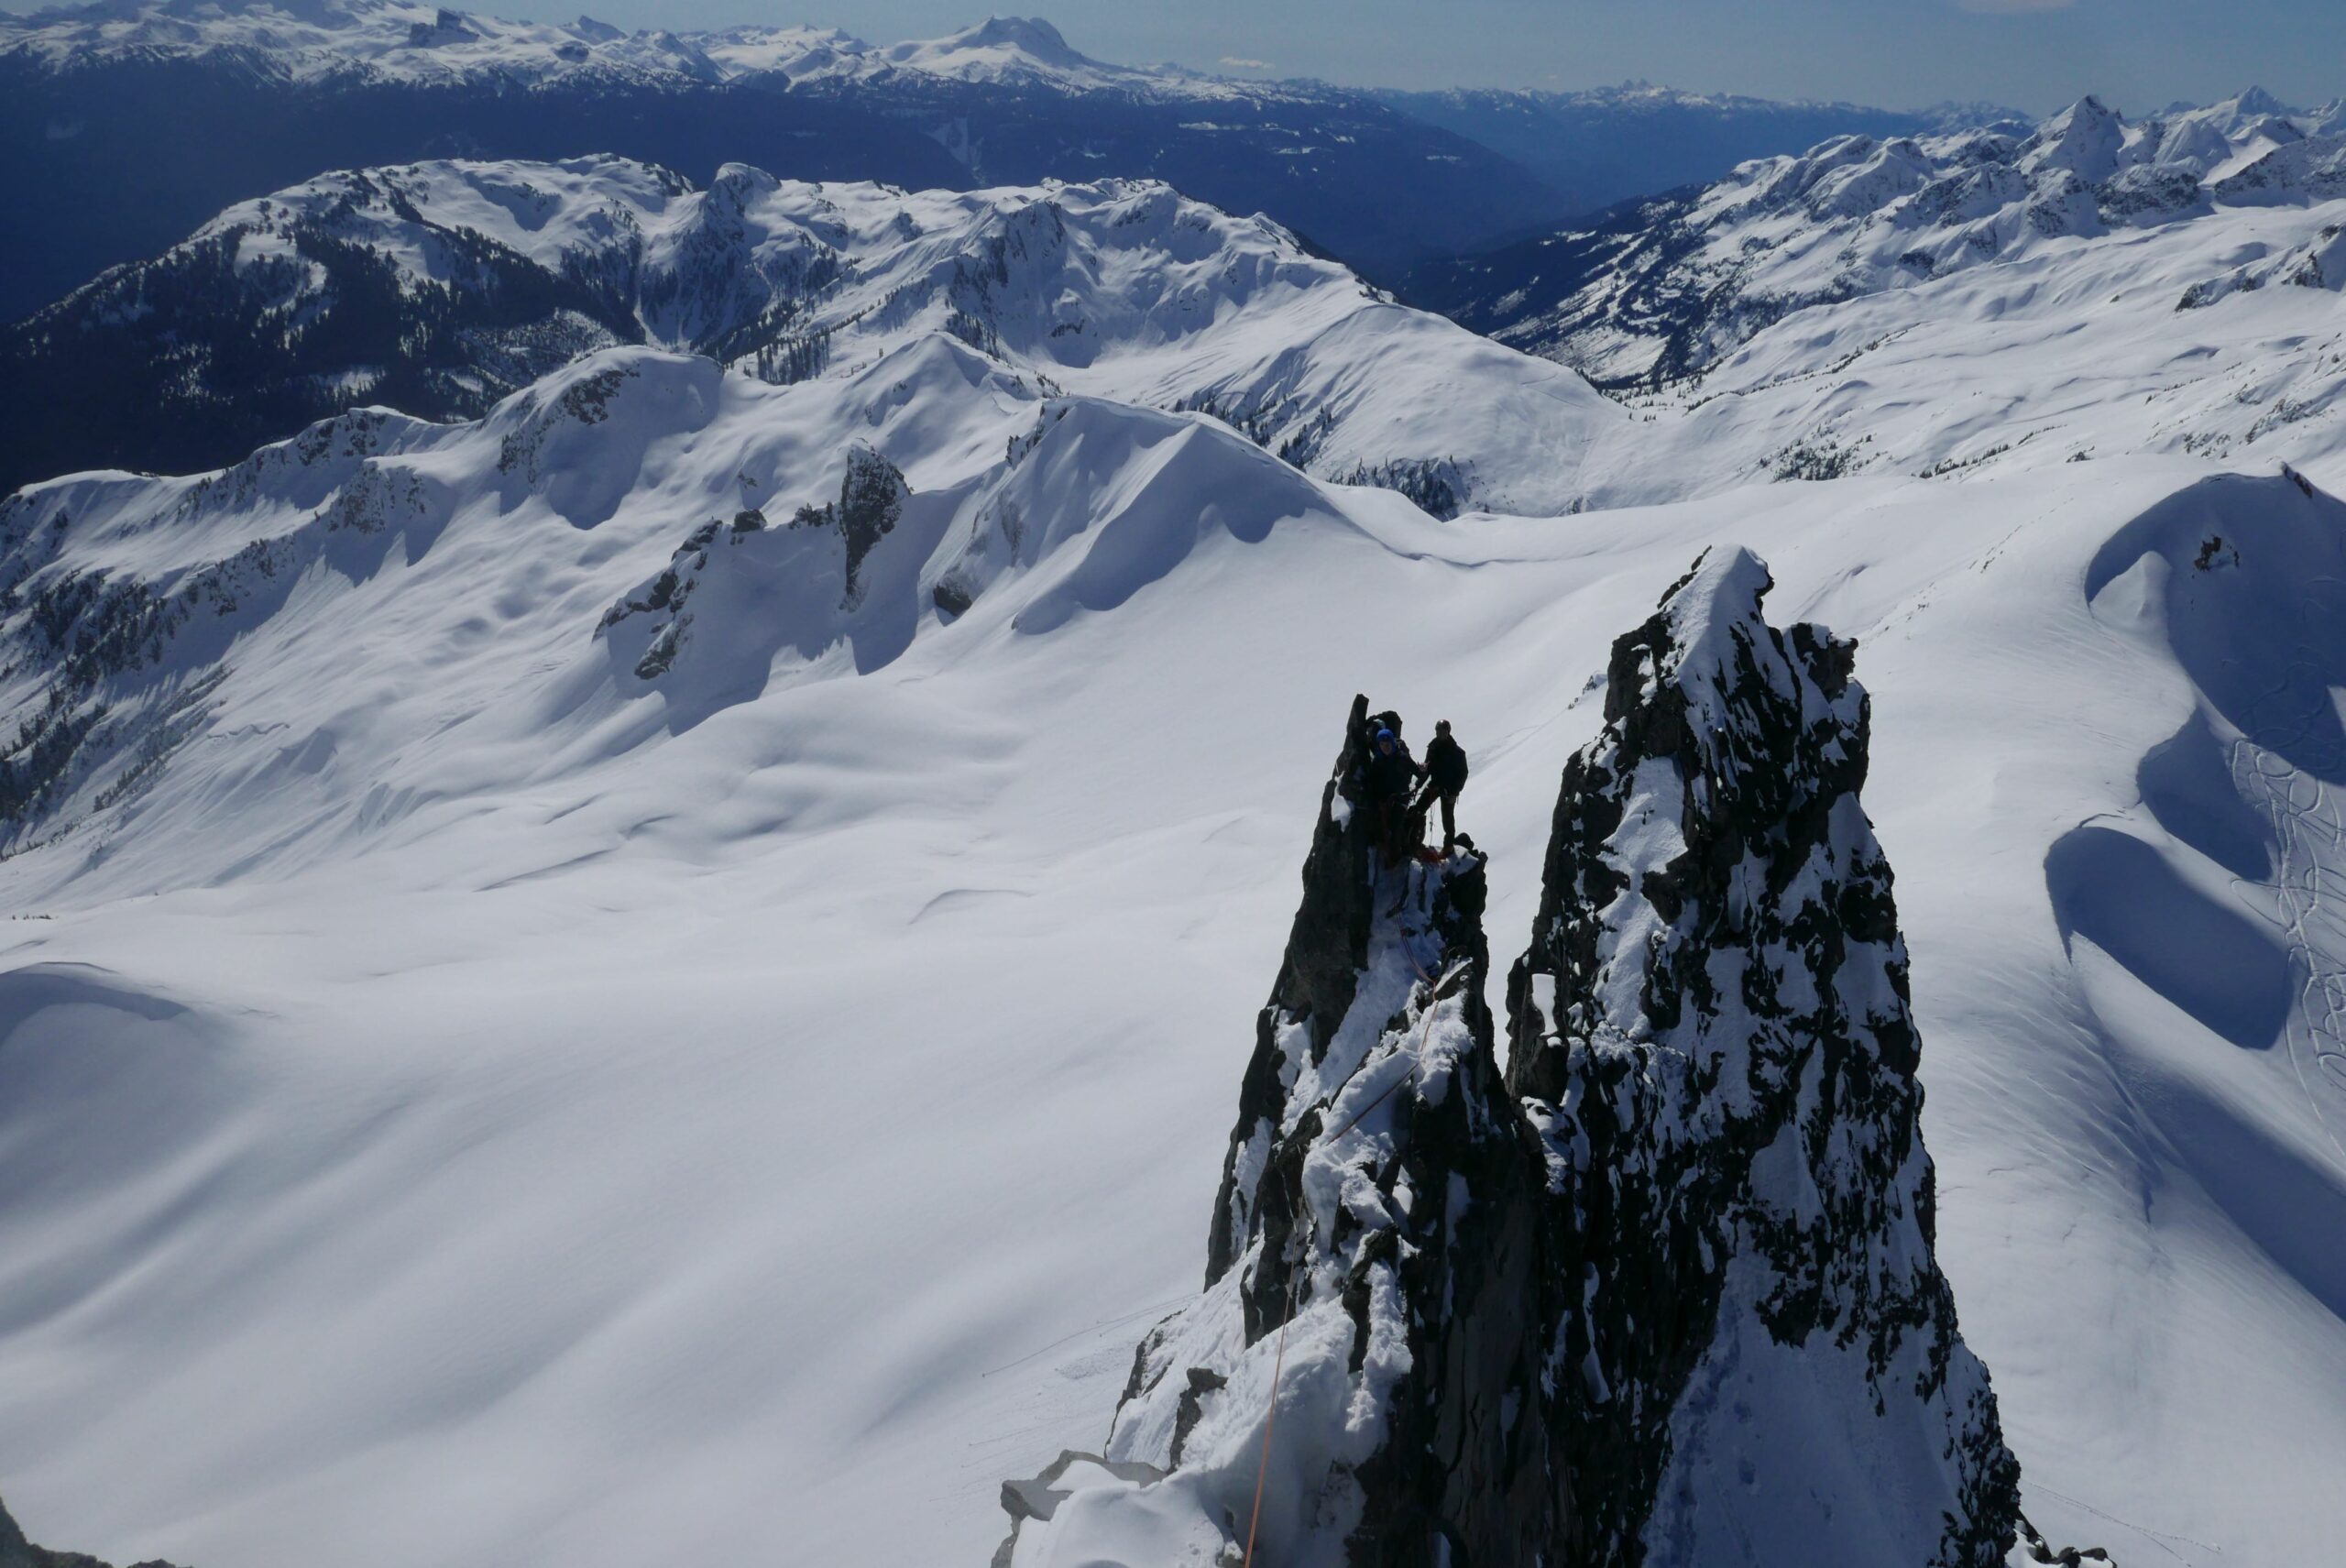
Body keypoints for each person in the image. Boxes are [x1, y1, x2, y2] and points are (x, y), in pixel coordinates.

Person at [1365, 724, 1424, 866]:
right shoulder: (1377, 762)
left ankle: (1397, 857)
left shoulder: (1402, 758)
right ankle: (1394, 853)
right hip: (1385, 800)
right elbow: (1373, 783)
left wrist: (1417, 783)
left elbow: (1418, 773)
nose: (1385, 747)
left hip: (1401, 799)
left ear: (1392, 742)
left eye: (1387, 744)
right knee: (1384, 827)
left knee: (1396, 825)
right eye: (1382, 744)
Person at [1416, 719, 1469, 854]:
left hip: (1448, 790)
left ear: (1448, 732)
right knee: (1418, 809)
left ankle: (1448, 847)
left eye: (1443, 731)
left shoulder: (1457, 752)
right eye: (1438, 731)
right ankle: (1415, 839)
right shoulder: (1433, 747)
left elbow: (1463, 773)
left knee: (1448, 820)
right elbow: (1428, 767)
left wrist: (1455, 792)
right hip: (1435, 785)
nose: (1440, 734)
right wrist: (1418, 785)